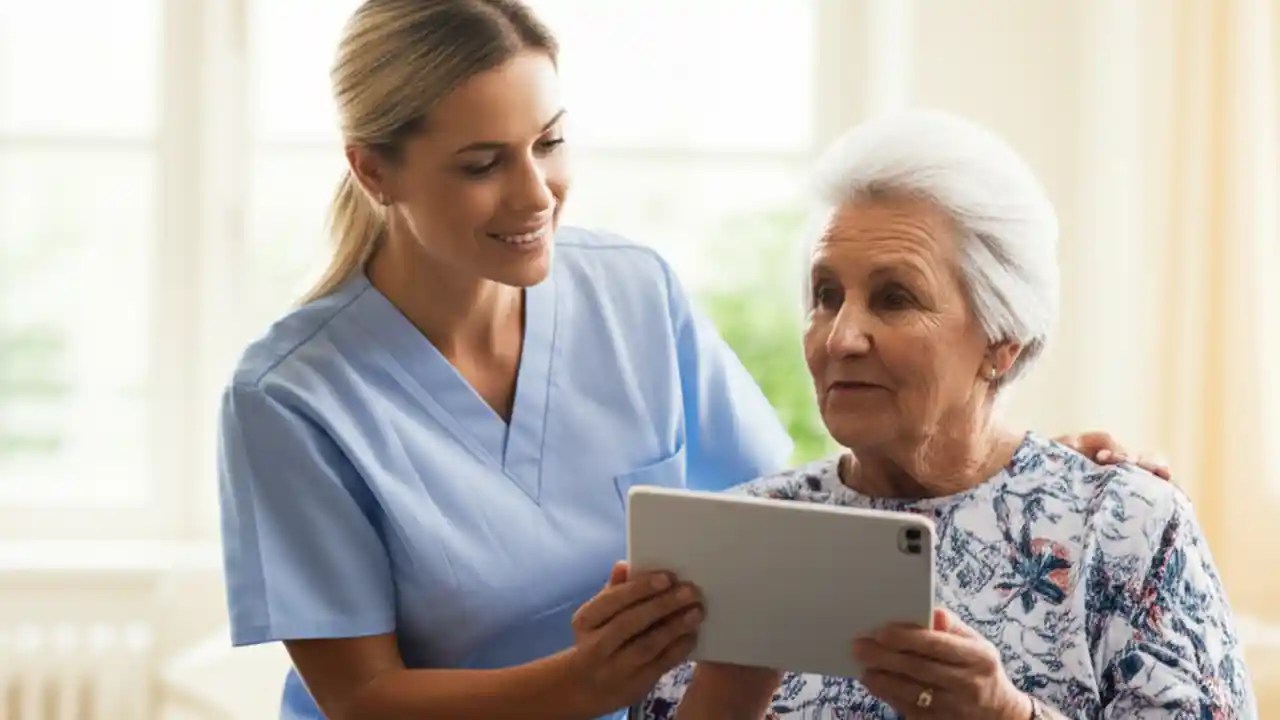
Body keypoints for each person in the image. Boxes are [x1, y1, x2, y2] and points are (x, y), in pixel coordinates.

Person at [215, 2, 1171, 718]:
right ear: (373, 168)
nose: (535, 193)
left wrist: (1012, 457)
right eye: (481, 163)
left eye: (549, 143)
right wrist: (585, 682)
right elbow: (363, 700)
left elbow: (803, 501)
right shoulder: (292, 400)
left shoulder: (633, 293)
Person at [641, 110, 1256, 719]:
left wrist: (1006, 715)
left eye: (895, 298)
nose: (840, 338)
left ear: (1002, 340)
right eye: (827, 296)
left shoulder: (1124, 526)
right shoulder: (744, 539)